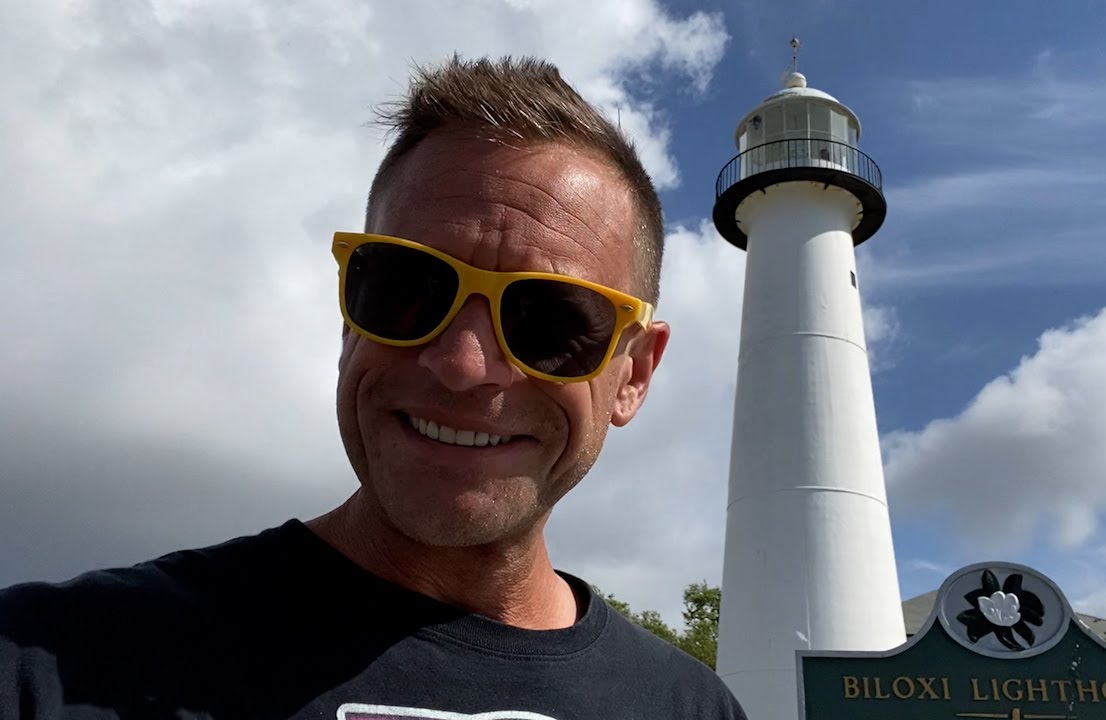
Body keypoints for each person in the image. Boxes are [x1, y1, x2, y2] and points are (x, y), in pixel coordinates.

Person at [0, 56, 749, 720]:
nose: (462, 362)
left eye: (552, 321)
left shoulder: (693, 708)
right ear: (347, 311)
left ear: (635, 375)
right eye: (405, 288)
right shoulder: (43, 667)